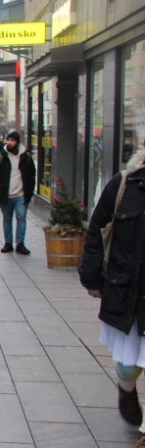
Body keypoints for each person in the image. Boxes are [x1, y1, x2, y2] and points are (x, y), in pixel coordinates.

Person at [78, 142, 145, 429]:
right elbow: (97, 228)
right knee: (128, 366)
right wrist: (92, 277)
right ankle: (126, 388)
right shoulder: (123, 185)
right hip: (129, 290)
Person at [0, 131, 36, 255]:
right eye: (8, 140)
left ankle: (20, 244)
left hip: (21, 194)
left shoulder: (26, 156)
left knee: (21, 217)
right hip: (6, 195)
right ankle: (8, 243)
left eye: (12, 140)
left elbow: (32, 174)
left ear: (17, 142)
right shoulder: (1, 156)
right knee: (7, 219)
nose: (10, 143)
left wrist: (30, 190)